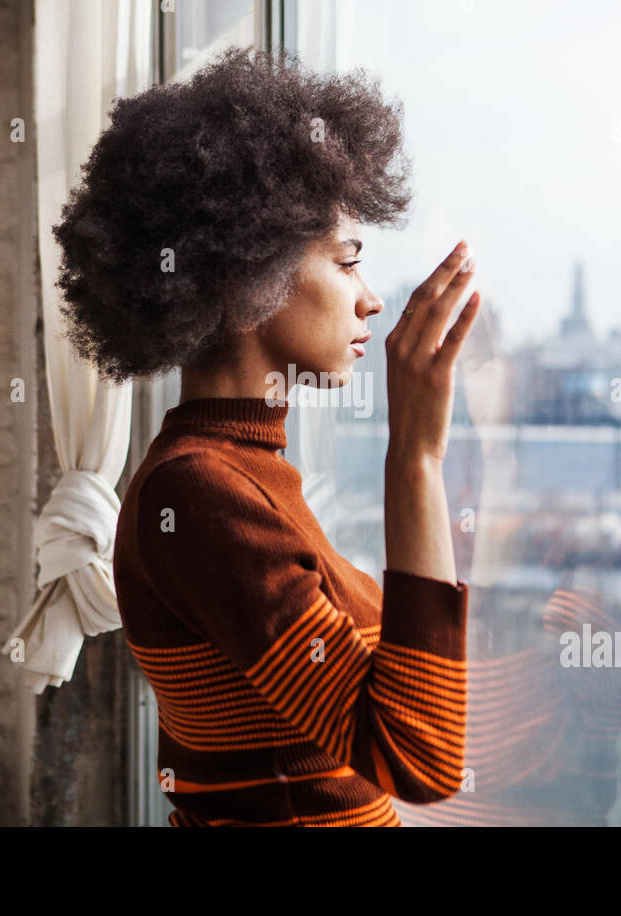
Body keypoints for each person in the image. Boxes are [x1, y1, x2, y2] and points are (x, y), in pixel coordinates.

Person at [52, 45, 480, 826]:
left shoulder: (234, 477)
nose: (371, 300)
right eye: (347, 262)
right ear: (249, 271)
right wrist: (416, 458)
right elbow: (419, 757)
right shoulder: (201, 494)